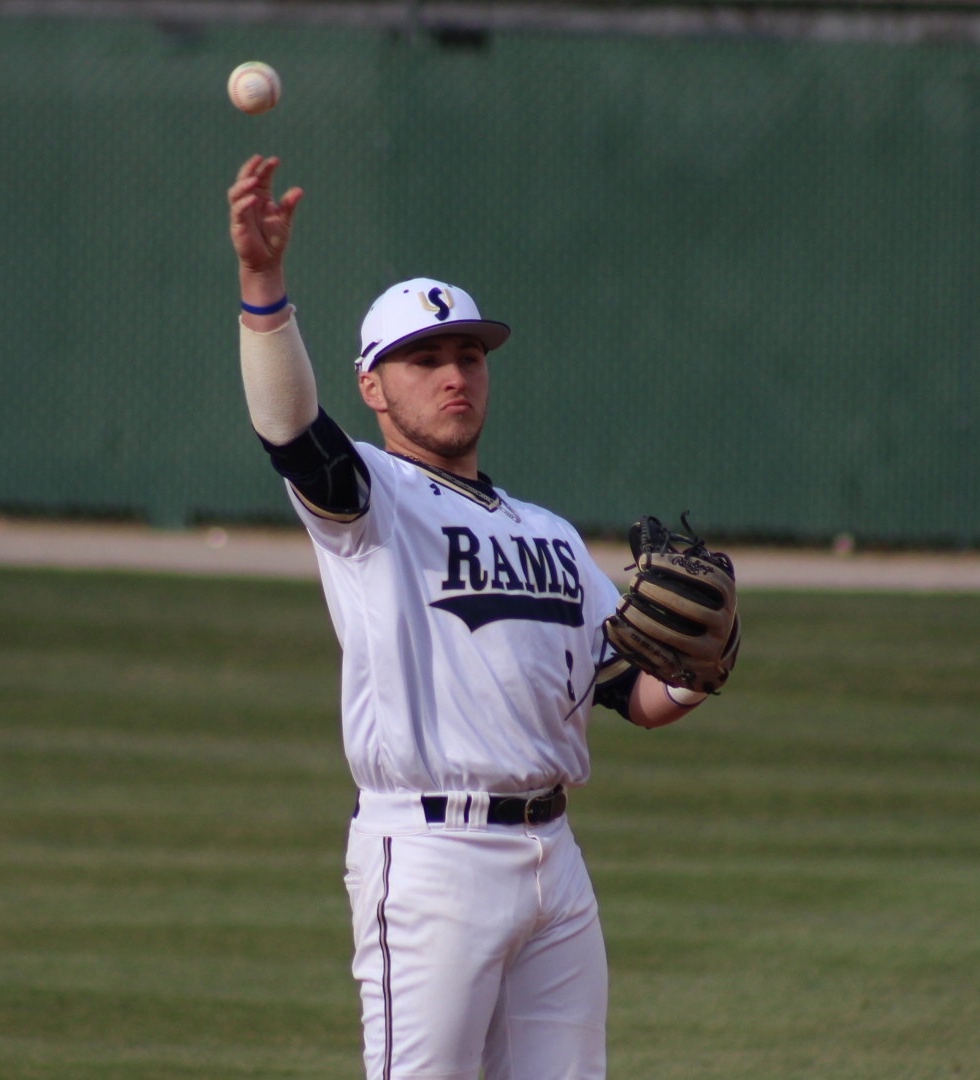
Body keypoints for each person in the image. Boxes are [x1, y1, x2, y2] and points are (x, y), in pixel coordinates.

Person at [227, 153, 707, 1080]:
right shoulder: (373, 501)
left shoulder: (552, 534)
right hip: (432, 854)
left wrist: (695, 672)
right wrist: (262, 283)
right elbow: (291, 432)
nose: (455, 375)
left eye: (468, 356)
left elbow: (626, 690)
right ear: (373, 387)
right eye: (425, 359)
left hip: (555, 862)